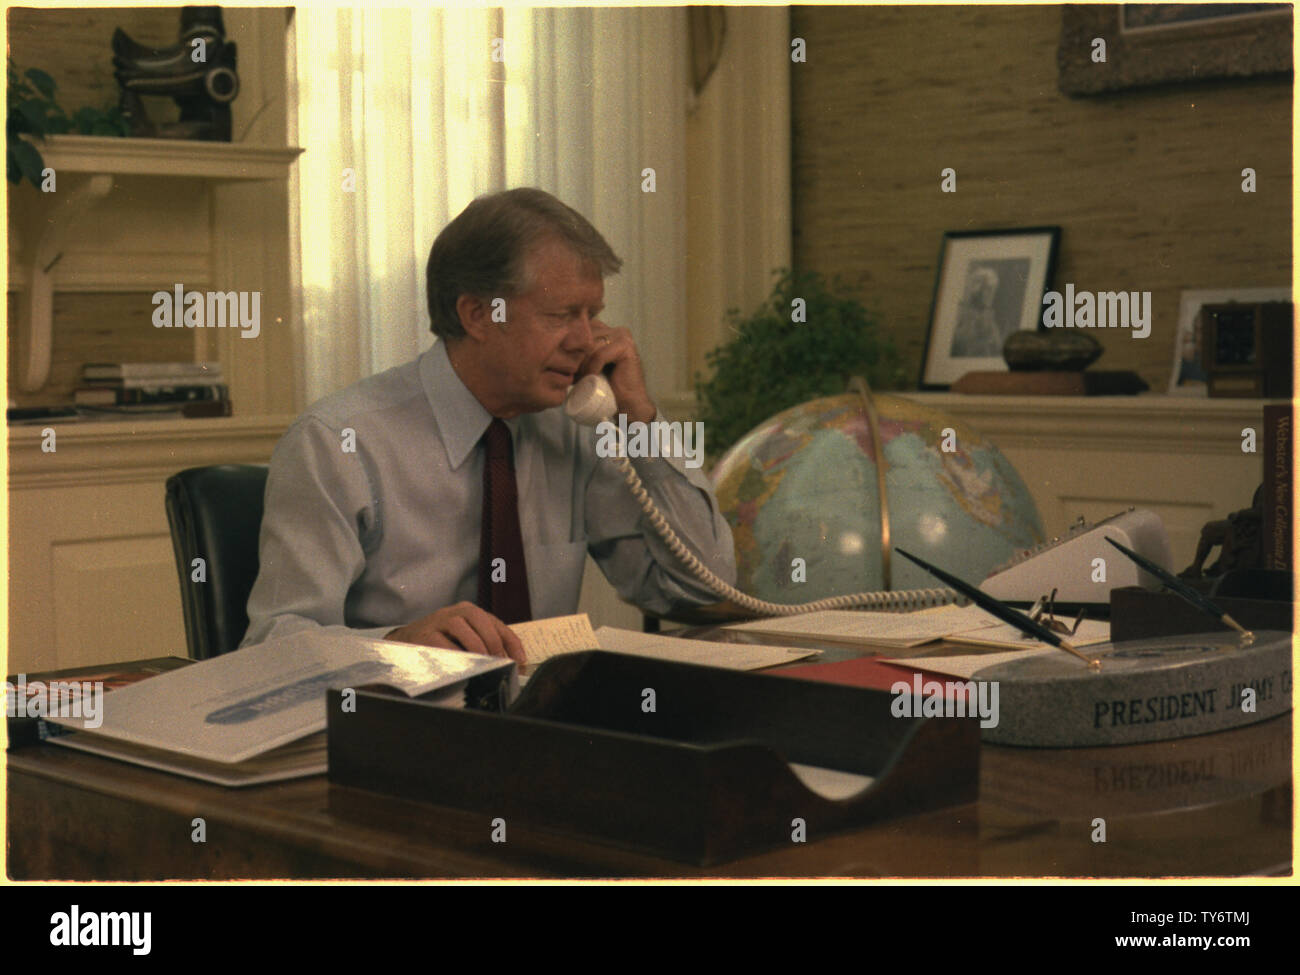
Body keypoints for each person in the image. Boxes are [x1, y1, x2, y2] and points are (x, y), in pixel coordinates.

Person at [241, 188, 737, 662]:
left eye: (594, 315)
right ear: (478, 315)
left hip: (536, 729)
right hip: (397, 726)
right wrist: (394, 644)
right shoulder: (337, 442)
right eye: (563, 315)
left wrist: (642, 423)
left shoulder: (577, 431)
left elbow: (701, 589)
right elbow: (273, 645)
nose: (588, 341)